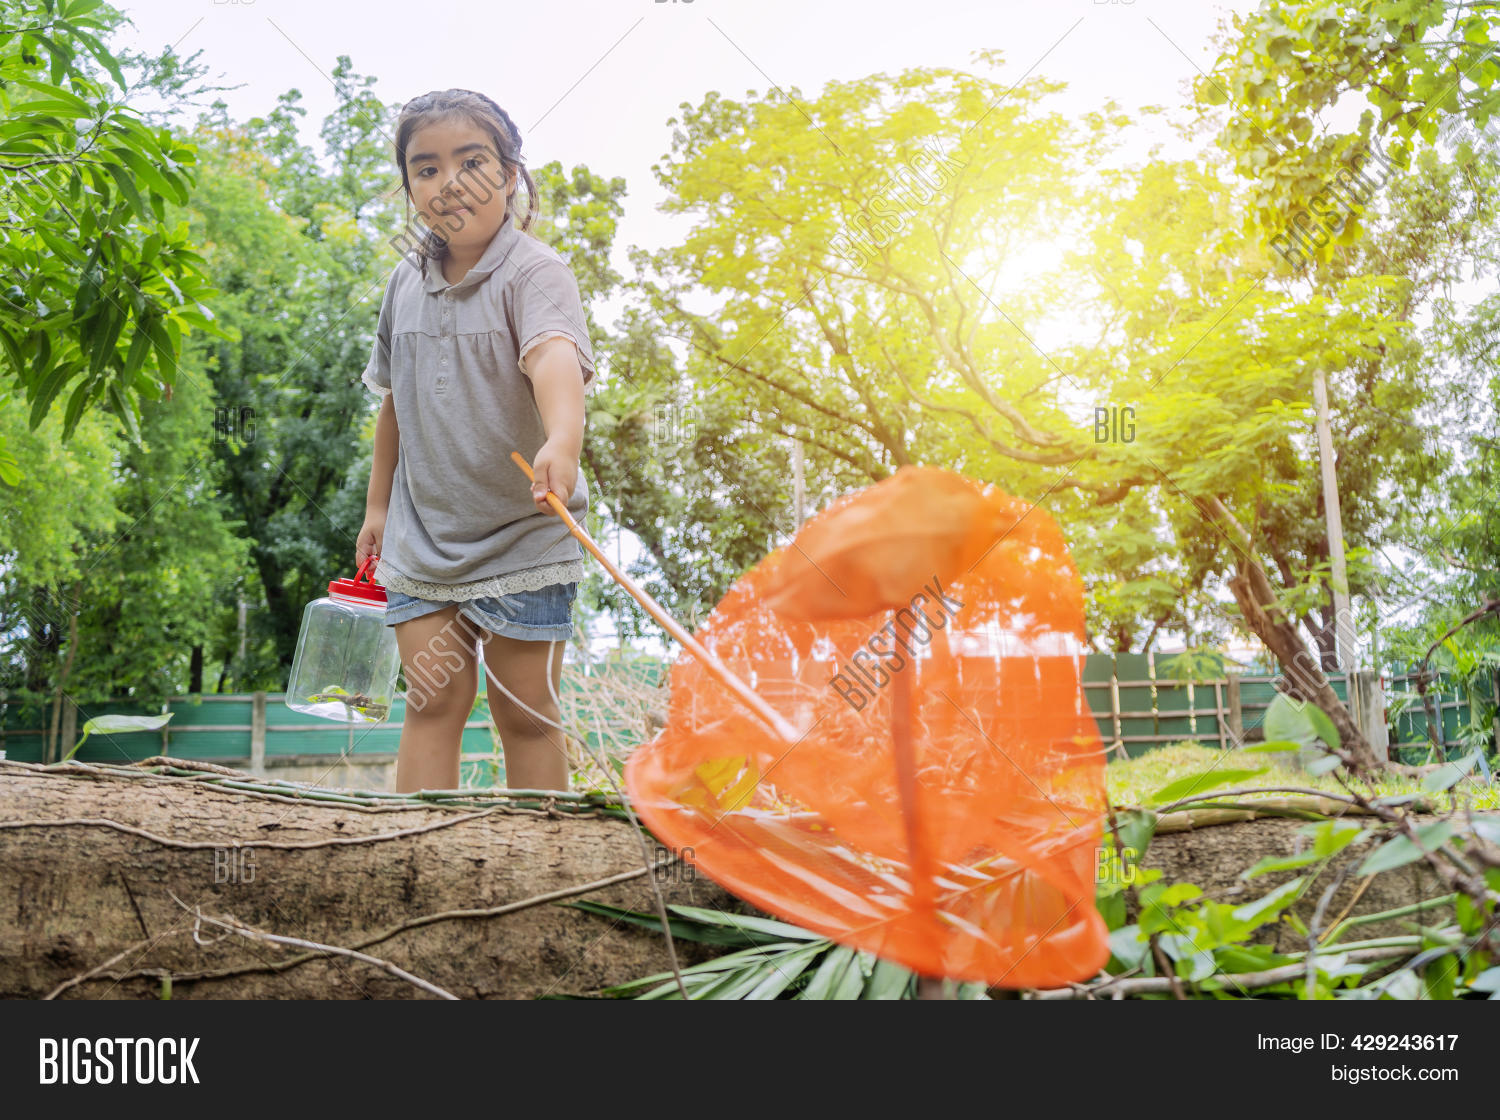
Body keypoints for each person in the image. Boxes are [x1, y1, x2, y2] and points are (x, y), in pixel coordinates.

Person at [357, 89, 594, 794]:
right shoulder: (404, 283)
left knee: (523, 712)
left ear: (510, 176)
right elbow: (395, 403)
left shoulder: (535, 272)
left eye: (472, 161)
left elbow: (552, 354)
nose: (448, 182)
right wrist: (377, 512)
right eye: (425, 169)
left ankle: (545, 872)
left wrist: (564, 438)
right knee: (431, 701)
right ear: (410, 188)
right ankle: (417, 864)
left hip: (525, 532)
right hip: (424, 538)